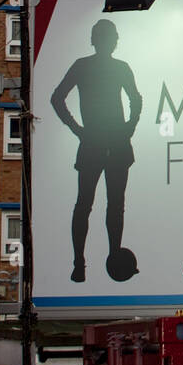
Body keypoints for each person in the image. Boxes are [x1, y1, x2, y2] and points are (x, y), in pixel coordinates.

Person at [50, 19, 142, 282]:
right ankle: (84, 261)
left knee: (95, 205)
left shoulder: (103, 67)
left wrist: (126, 128)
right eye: (110, 37)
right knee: (100, 205)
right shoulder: (90, 66)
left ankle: (95, 260)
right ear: (106, 40)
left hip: (104, 141)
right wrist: (79, 130)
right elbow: (57, 98)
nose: (112, 41)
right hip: (102, 141)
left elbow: (136, 100)